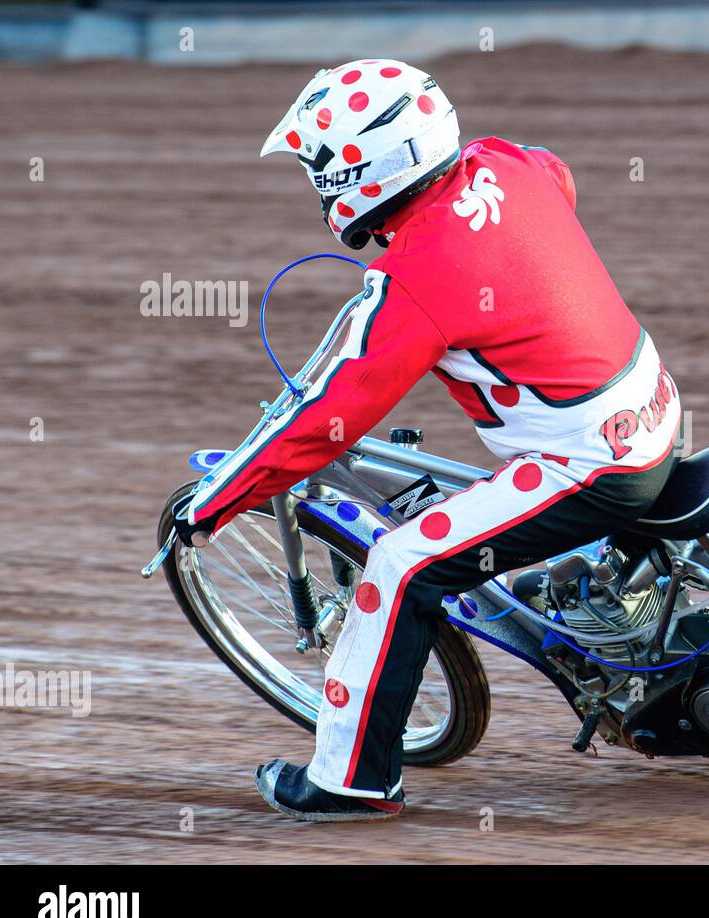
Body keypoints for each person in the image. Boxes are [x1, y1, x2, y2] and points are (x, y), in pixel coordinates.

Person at [174, 59, 682, 821]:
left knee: (403, 561)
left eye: (322, 167)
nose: (318, 186)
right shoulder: (505, 163)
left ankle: (354, 781)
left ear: (365, 170)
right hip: (655, 405)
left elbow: (325, 416)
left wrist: (213, 505)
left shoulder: (414, 278)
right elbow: (559, 178)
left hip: (594, 463)